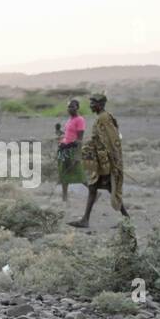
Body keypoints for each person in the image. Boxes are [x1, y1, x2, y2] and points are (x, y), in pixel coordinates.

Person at [68, 93, 128, 227]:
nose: (90, 105)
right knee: (95, 187)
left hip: (105, 163)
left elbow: (112, 141)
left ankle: (126, 219)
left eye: (93, 103)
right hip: (101, 162)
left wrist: (110, 164)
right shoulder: (102, 117)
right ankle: (86, 220)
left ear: (100, 105)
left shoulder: (104, 118)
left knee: (106, 187)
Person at [56, 98, 86, 199]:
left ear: (77, 107)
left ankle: (93, 193)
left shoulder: (80, 120)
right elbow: (67, 135)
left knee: (79, 174)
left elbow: (79, 139)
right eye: (68, 107)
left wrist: (77, 156)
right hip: (65, 150)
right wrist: (59, 132)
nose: (70, 109)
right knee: (64, 174)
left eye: (72, 107)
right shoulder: (69, 120)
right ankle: (64, 197)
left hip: (73, 150)